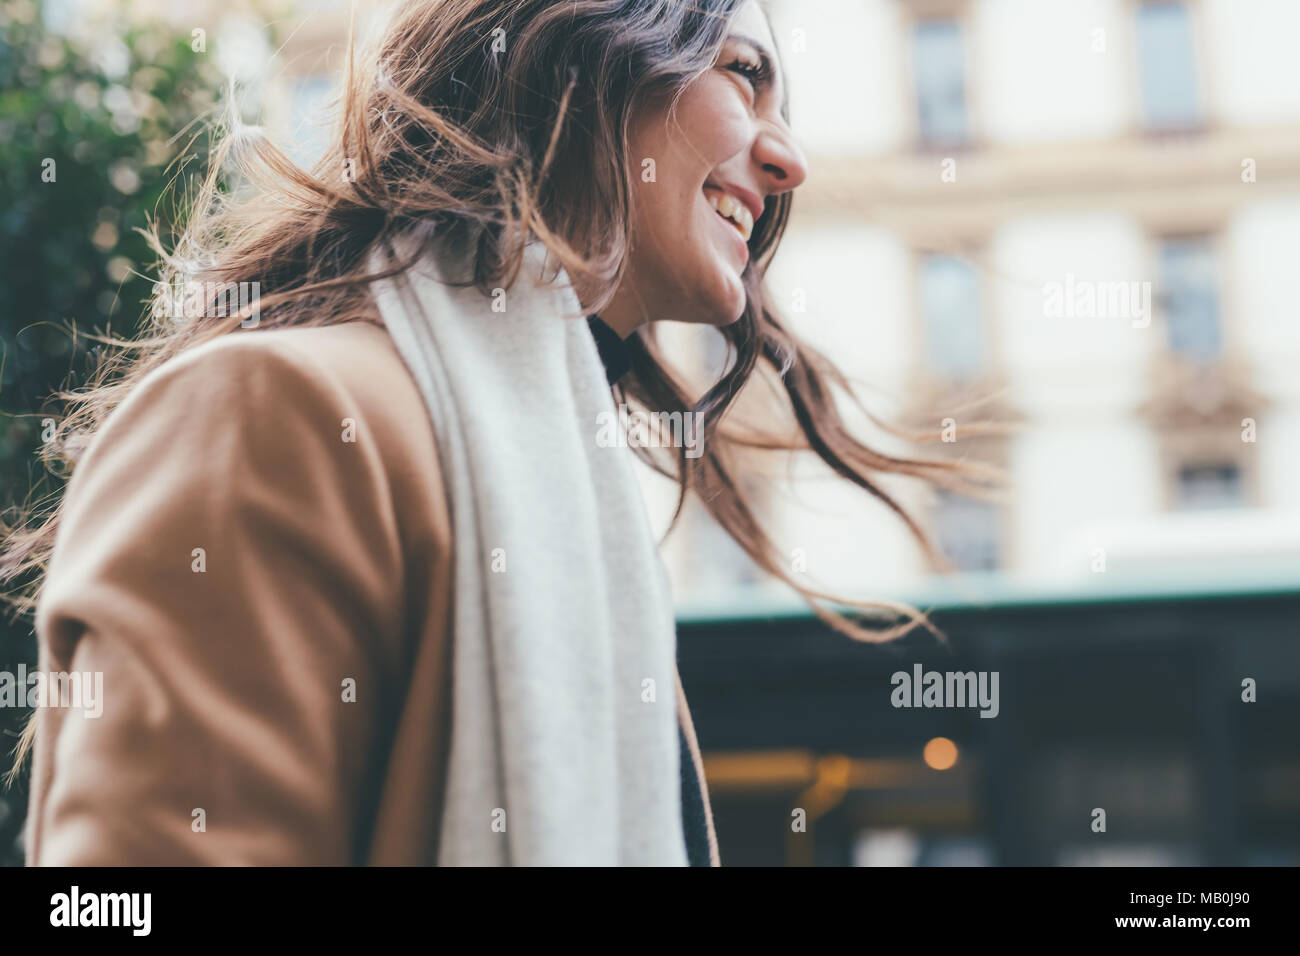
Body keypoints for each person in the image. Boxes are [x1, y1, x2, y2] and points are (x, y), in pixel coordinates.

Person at [4, 0, 984, 865]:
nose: (787, 158)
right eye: (741, 73)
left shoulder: (572, 512)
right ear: (578, 48)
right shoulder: (276, 410)